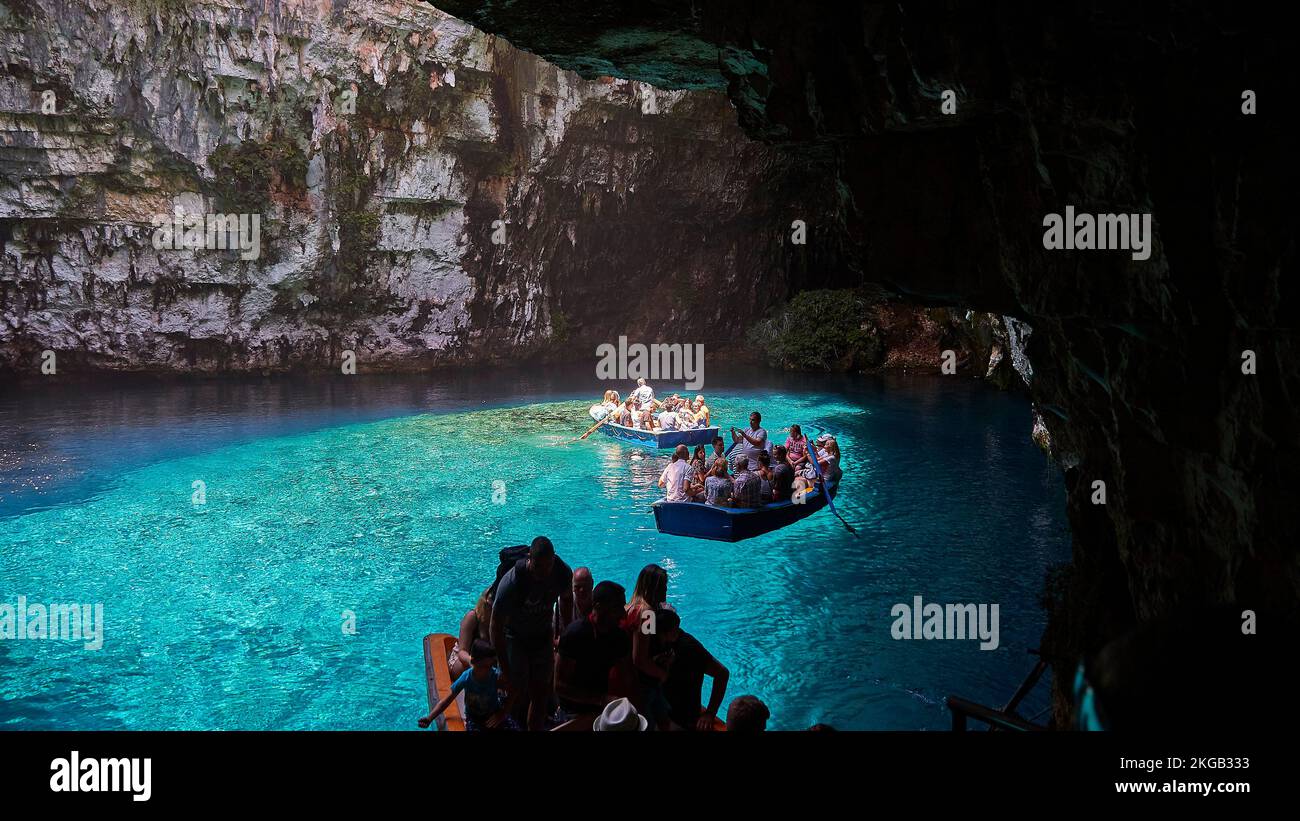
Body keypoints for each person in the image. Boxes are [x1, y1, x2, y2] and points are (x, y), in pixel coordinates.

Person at [492, 536, 574, 730]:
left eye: (547, 567)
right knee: (515, 691)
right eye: (538, 567)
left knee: (541, 693)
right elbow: (495, 626)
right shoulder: (512, 581)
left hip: (542, 635)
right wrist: (504, 666)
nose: (543, 573)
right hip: (515, 637)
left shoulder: (562, 573)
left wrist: (564, 632)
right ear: (529, 559)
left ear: (554, 560)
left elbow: (567, 599)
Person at [555, 580, 634, 717]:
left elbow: (628, 675)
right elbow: (559, 686)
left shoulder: (619, 637)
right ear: (598, 607)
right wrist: (601, 699)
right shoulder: (575, 635)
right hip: (572, 711)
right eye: (617, 608)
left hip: (603, 710)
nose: (623, 614)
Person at [419, 640, 519, 731]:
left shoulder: (495, 676)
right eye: (484, 666)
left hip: (493, 713)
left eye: (490, 665)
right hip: (474, 718)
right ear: (473, 662)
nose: (488, 670)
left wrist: (502, 712)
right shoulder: (466, 678)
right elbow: (447, 700)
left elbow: (513, 690)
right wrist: (430, 718)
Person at [657, 611, 730, 731]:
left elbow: (722, 673)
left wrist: (710, 713)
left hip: (683, 719)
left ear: (670, 632)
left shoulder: (689, 648)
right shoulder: (664, 642)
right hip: (665, 712)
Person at [450, 587, 494, 678]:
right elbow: (462, 652)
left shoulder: (501, 621)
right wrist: (474, 663)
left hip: (487, 661)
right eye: (489, 605)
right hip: (464, 659)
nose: (492, 609)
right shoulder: (472, 617)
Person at [555, 566, 593, 634]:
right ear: (572, 587)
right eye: (577, 587)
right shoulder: (562, 602)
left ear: (592, 584)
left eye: (585, 586)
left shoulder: (598, 601)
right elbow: (553, 632)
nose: (582, 590)